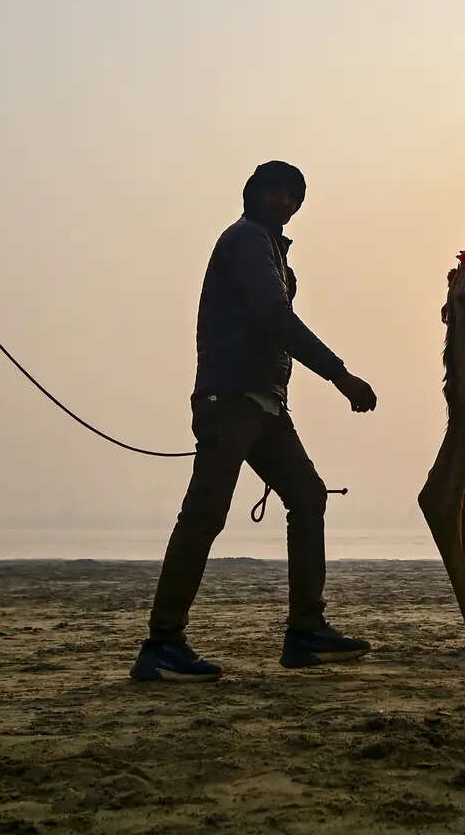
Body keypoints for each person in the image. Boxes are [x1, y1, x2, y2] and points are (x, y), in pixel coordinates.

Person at [131, 161, 379, 682]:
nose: (283, 202)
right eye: (274, 192)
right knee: (204, 516)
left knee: (308, 496)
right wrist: (340, 376)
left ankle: (306, 632)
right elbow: (274, 317)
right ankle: (162, 643)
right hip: (232, 402)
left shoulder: (272, 252)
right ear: (253, 195)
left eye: (292, 196)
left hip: (265, 406)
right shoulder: (246, 240)